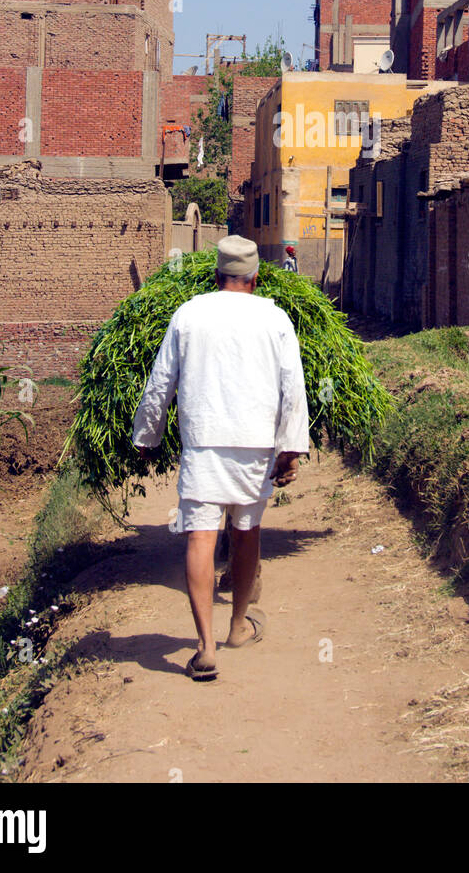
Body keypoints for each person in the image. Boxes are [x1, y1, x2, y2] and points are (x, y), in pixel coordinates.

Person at [131, 235, 309, 681]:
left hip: (204, 441)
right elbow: (293, 386)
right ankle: (237, 627)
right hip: (255, 445)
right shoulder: (275, 318)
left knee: (200, 537)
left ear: (216, 276)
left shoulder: (190, 313)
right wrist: (291, 448)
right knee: (247, 531)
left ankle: (205, 647)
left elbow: (161, 380)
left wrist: (146, 434)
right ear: (255, 278)